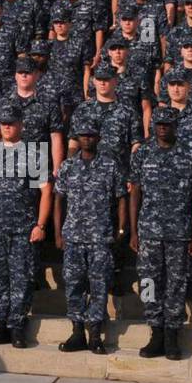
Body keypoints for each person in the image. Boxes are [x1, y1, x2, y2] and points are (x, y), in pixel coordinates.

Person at [0, 102, 52, 348]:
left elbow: (46, 191)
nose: (7, 127)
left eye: (11, 122)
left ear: (21, 124)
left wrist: (40, 224)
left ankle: (17, 324)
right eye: (3, 123)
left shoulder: (34, 153)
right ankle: (0, 323)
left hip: (23, 227)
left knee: (21, 276)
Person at [130, 107, 192, 361]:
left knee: (176, 283)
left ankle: (173, 335)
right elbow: (135, 194)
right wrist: (133, 231)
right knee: (149, 283)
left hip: (180, 232)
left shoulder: (189, 153)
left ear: (175, 126)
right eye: (159, 123)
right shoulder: (142, 154)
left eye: (167, 124)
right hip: (149, 232)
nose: (162, 127)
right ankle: (156, 333)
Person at [53, 115, 126, 354]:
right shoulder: (67, 166)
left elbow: (120, 198)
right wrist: (57, 232)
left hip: (100, 237)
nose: (87, 139)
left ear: (98, 138)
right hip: (73, 236)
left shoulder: (110, 165)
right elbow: (59, 200)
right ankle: (77, 332)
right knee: (73, 284)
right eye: (83, 135)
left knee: (99, 284)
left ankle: (95, 333)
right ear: (78, 138)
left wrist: (121, 228)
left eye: (91, 135)